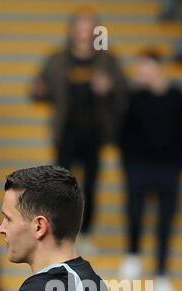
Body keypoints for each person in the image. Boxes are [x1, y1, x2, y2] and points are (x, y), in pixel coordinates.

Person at [31, 10, 127, 247]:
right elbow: (38, 90)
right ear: (72, 30)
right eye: (80, 27)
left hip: (95, 133)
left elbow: (124, 96)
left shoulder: (108, 60)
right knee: (61, 185)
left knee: (91, 184)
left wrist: (109, 90)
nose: (84, 33)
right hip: (66, 131)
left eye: (89, 27)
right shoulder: (57, 59)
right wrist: (40, 91)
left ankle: (86, 233)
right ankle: (60, 232)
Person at [118, 49, 182, 291]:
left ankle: (161, 273)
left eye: (146, 68)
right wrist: (129, 165)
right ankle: (133, 255)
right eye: (139, 69)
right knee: (135, 212)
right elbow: (122, 133)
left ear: (159, 68)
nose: (142, 74)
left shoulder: (177, 96)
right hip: (138, 167)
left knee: (165, 221)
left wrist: (179, 165)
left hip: (169, 170)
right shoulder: (134, 97)